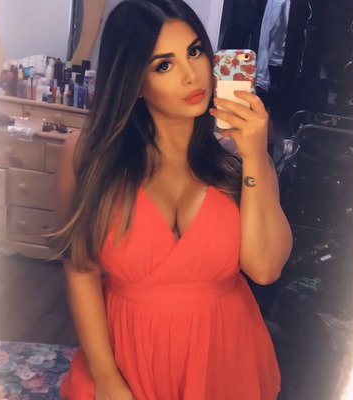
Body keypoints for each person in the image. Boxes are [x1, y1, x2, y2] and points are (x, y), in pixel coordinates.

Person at [53, 0, 293, 399]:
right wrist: (106, 377)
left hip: (223, 357)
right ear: (133, 81)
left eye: (195, 51)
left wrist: (256, 156)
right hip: (128, 357)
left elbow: (265, 269)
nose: (191, 75)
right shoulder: (87, 156)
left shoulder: (237, 159)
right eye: (164, 65)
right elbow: (80, 270)